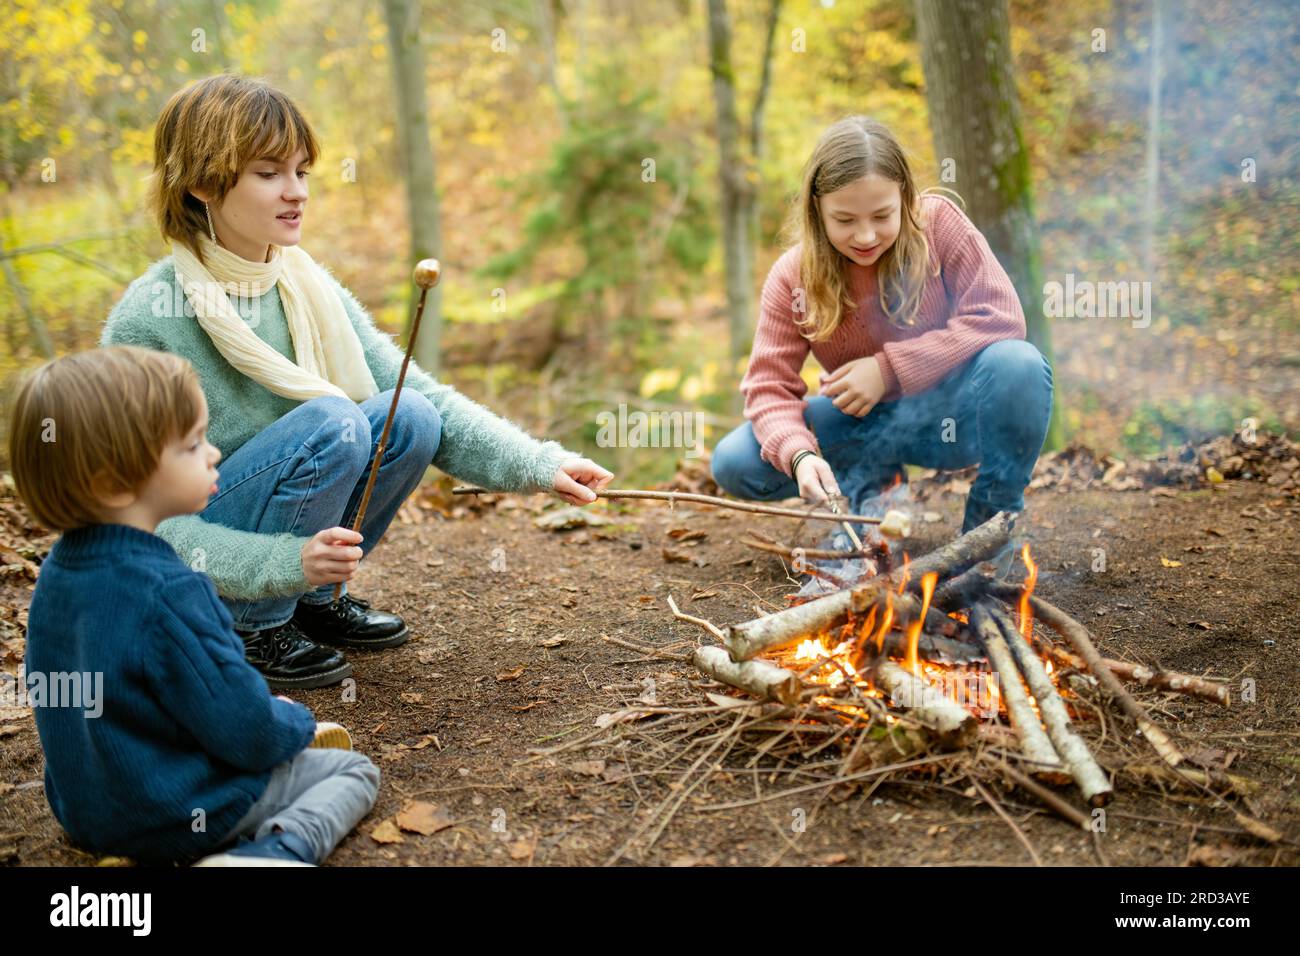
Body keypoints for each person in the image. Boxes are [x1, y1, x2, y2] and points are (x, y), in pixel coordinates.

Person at [102, 74, 613, 688]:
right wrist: (279, 563)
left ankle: (311, 603)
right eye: (269, 174)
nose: (297, 193)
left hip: (288, 539)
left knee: (409, 415)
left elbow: (424, 397)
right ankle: (251, 624)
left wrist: (537, 464)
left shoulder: (306, 284)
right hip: (203, 556)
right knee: (334, 420)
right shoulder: (150, 316)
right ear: (204, 183)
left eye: (302, 172)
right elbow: (142, 522)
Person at [9, 346, 379, 866]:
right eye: (192, 445)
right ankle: (272, 853)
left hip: (87, 814)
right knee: (353, 771)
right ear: (112, 483)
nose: (213, 454)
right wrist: (290, 725)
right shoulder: (172, 589)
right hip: (178, 812)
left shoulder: (57, 575)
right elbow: (242, 728)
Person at [711, 115, 1053, 533]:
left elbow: (1000, 315)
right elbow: (768, 387)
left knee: (1019, 364)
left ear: (905, 198)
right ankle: (876, 495)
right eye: (845, 220)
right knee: (736, 461)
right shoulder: (792, 276)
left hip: (954, 420)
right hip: (862, 427)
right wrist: (800, 454)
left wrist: (887, 370)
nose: (866, 236)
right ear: (816, 210)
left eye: (881, 215)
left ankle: (989, 529)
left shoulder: (940, 226)